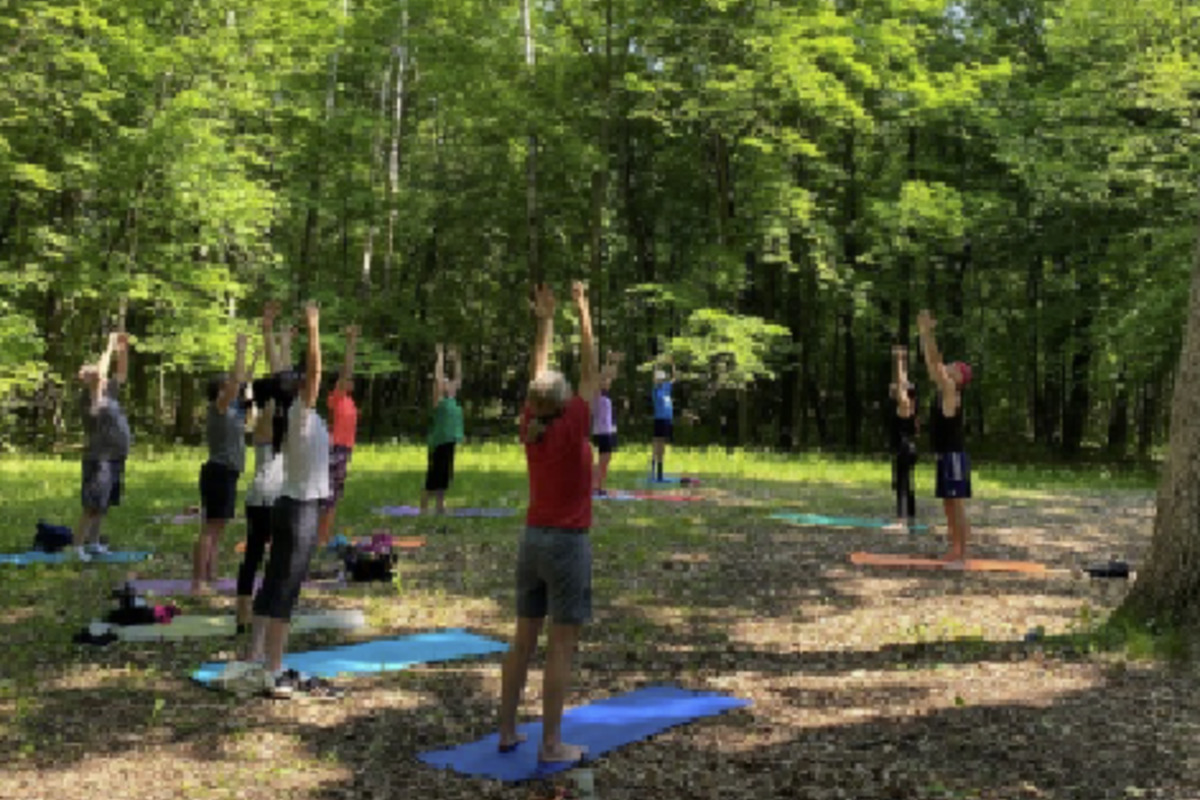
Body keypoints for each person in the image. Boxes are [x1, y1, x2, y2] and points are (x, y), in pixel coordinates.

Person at [498, 280, 598, 765]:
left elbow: (538, 374)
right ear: (563, 402)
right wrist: (583, 311)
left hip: (532, 541)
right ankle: (552, 743)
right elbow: (590, 370)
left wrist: (545, 320)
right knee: (561, 646)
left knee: (523, 640)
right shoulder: (573, 423)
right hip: (566, 544)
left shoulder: (531, 424)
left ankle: (506, 730)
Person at [242, 300, 339, 699]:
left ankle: (255, 654)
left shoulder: (286, 410)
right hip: (300, 511)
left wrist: (270, 330)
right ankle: (273, 667)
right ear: (298, 388)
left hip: (287, 504)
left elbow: (280, 373)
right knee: (286, 588)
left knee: (273, 580)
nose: (304, 379)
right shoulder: (299, 412)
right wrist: (313, 328)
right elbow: (312, 372)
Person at [192, 333, 248, 595]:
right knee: (210, 527)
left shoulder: (233, 409)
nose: (233, 388)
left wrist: (251, 355)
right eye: (228, 385)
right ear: (220, 390)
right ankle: (197, 582)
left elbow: (242, 381)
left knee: (219, 527)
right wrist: (240, 349)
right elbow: (237, 382)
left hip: (229, 473)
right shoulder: (218, 408)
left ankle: (211, 574)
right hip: (218, 473)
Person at [916, 310, 973, 565]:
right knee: (948, 504)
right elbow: (932, 365)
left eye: (956, 368)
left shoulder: (951, 390)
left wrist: (928, 332)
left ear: (959, 379)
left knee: (956, 504)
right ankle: (955, 547)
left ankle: (961, 552)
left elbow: (936, 365)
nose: (950, 366)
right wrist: (923, 334)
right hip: (945, 456)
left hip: (954, 457)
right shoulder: (944, 387)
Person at [76, 330, 132, 559]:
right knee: (92, 505)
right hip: (100, 459)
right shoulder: (90, 399)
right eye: (91, 373)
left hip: (114, 457)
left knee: (104, 503)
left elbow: (121, 373)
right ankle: (78, 546)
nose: (100, 375)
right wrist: (109, 345)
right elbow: (101, 373)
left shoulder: (109, 394)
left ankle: (94, 542)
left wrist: (123, 350)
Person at [317, 325, 359, 547]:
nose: (350, 380)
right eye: (344, 380)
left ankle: (324, 536)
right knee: (327, 495)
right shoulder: (337, 398)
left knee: (334, 497)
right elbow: (346, 372)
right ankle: (319, 537)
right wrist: (351, 343)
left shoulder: (349, 401)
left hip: (344, 450)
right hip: (335, 449)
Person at [421, 343, 464, 516]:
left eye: (449, 383)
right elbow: (438, 379)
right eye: (446, 383)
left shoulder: (453, 400)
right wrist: (440, 355)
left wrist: (456, 358)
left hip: (450, 442)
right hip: (438, 442)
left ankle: (440, 505)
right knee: (434, 475)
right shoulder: (439, 401)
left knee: (445, 475)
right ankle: (424, 505)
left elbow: (458, 378)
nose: (449, 384)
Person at [884, 345, 918, 533]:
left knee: (902, 486)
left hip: (904, 449)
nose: (894, 387)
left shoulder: (904, 406)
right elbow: (902, 383)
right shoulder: (909, 406)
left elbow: (901, 384)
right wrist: (903, 361)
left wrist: (898, 361)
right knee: (905, 484)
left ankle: (901, 522)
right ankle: (910, 517)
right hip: (907, 449)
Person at [591, 351, 623, 496]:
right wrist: (607, 360)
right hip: (601, 431)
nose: (608, 382)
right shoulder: (596, 393)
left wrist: (614, 362)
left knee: (606, 459)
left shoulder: (605, 395)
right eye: (605, 381)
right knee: (603, 459)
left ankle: (599, 486)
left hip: (607, 431)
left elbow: (611, 375)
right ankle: (595, 486)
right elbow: (603, 376)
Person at [649, 356, 676, 482]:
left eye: (661, 378)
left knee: (663, 444)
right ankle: (653, 467)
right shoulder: (656, 389)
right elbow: (653, 379)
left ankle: (660, 471)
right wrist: (656, 365)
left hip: (667, 419)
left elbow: (674, 378)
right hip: (659, 419)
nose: (660, 380)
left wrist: (672, 364)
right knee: (657, 442)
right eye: (658, 378)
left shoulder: (666, 387)